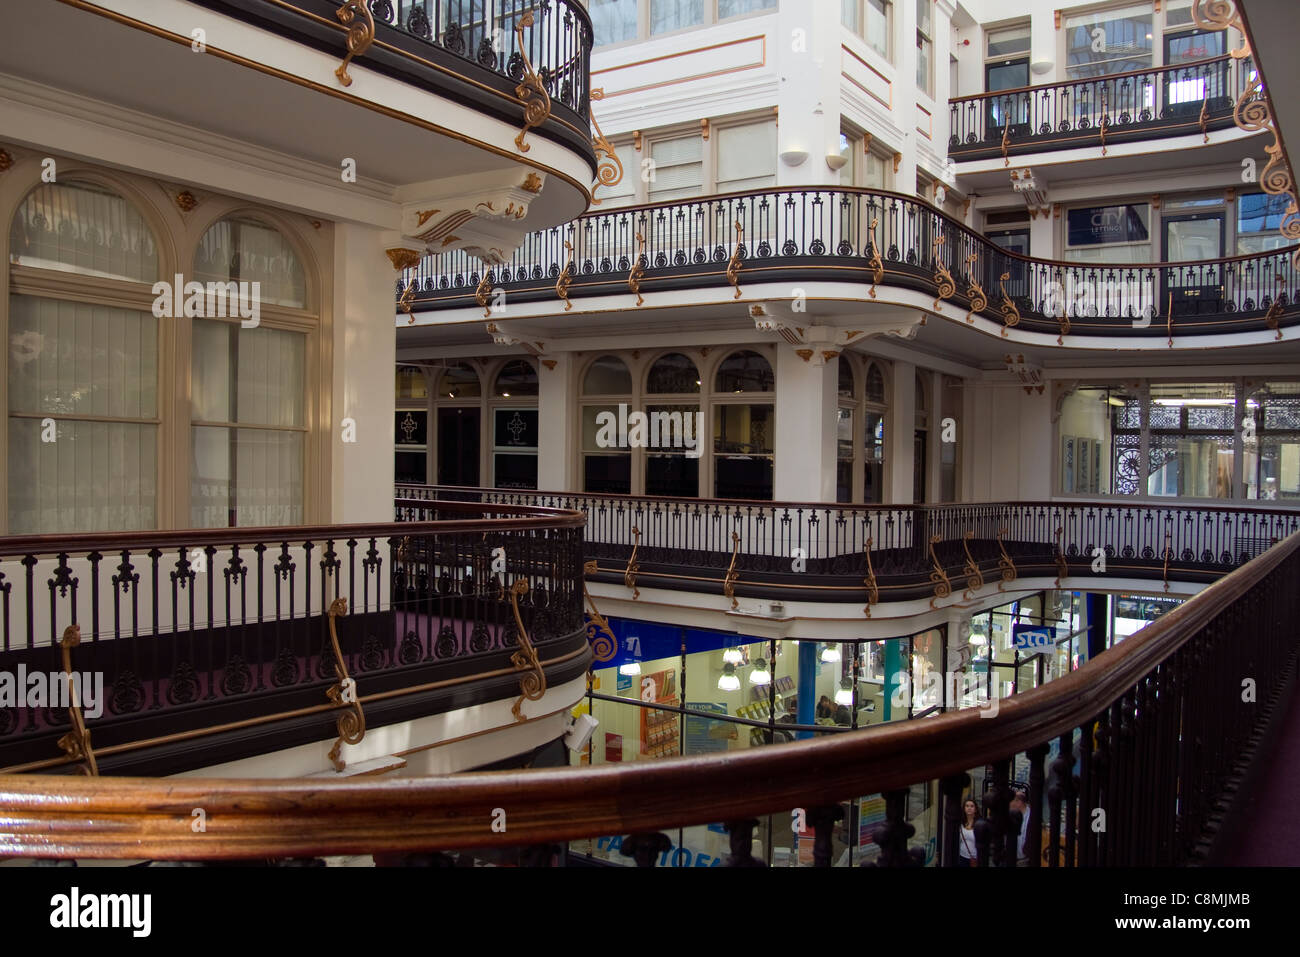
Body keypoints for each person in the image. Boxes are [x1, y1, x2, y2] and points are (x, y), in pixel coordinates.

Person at [1009, 789, 1031, 866]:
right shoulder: (1011, 815)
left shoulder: (1032, 817)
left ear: (1019, 802)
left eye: (1011, 801)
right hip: (1012, 857)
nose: (1009, 804)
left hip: (1026, 860)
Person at [957, 798, 980, 867]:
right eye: (967, 806)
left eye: (972, 806)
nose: (969, 808)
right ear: (964, 809)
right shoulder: (961, 823)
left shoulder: (979, 824)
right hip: (962, 857)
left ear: (975, 809)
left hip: (975, 859)